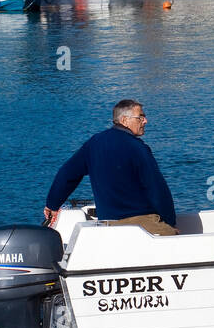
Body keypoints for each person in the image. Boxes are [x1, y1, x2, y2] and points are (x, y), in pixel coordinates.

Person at [43, 99, 178, 235]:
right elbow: (157, 190)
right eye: (140, 117)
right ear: (124, 120)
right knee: (176, 239)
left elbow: (67, 174)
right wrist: (170, 222)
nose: (145, 121)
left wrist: (52, 204)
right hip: (142, 223)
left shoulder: (94, 143)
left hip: (107, 225)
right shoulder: (138, 148)